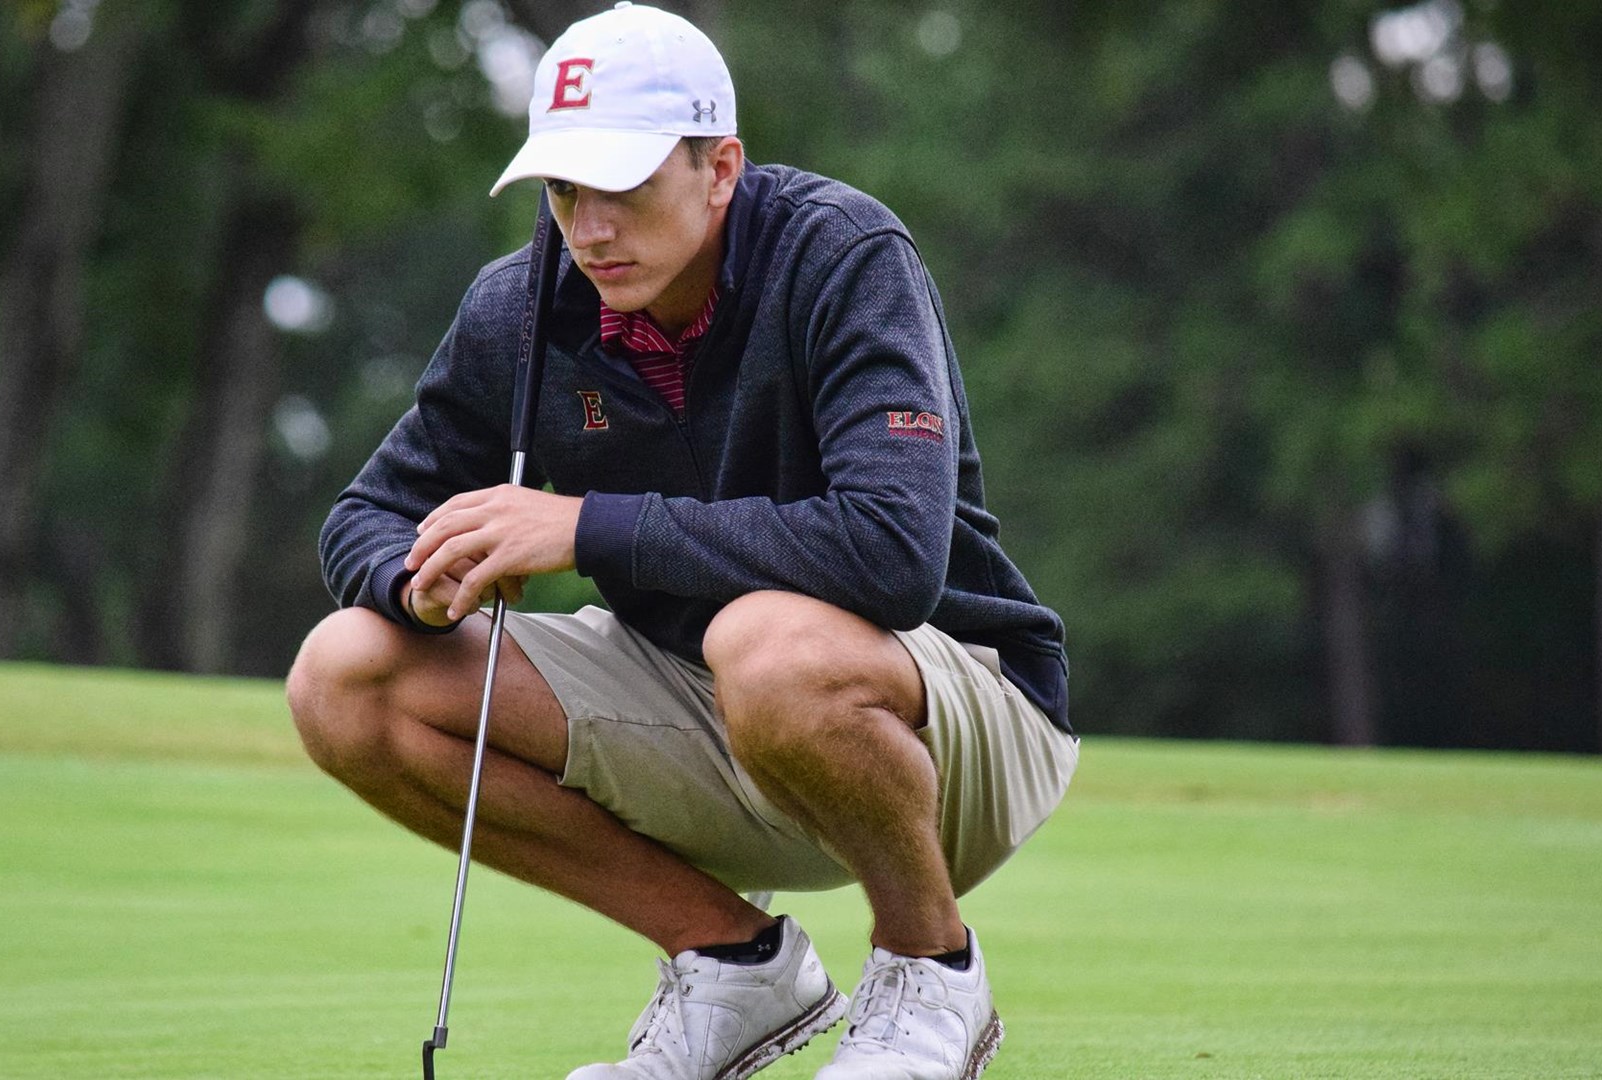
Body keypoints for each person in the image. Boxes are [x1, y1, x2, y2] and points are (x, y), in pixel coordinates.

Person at [285, 4, 1078, 1077]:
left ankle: (931, 972)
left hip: (954, 713)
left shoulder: (842, 255)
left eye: (622, 186)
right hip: (708, 713)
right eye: (565, 191)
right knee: (343, 675)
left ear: (720, 169)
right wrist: (418, 582)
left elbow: (893, 554)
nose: (589, 228)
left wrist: (584, 528)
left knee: (767, 647)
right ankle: (731, 962)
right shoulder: (522, 309)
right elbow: (365, 517)